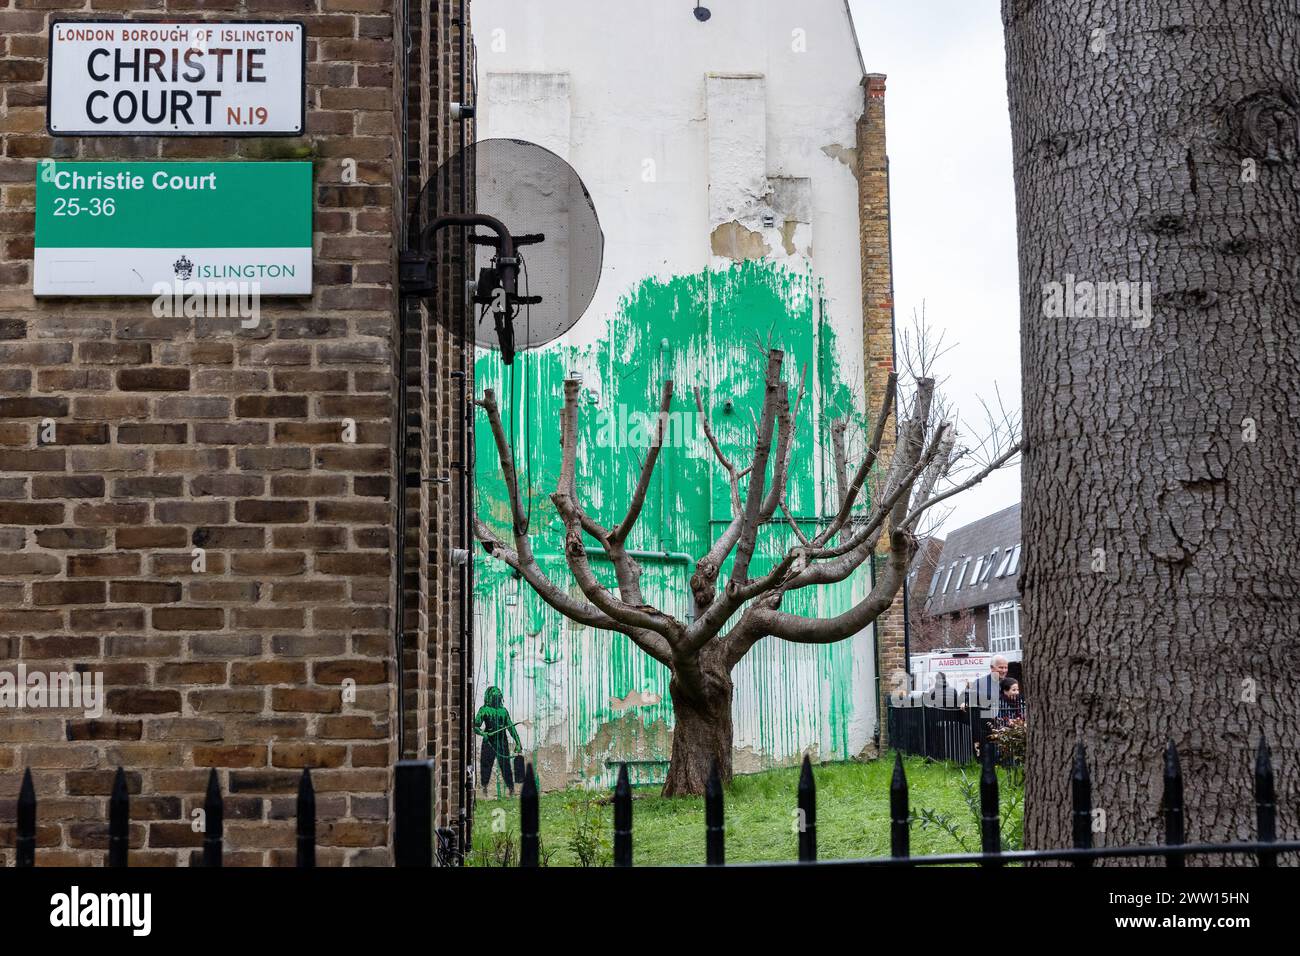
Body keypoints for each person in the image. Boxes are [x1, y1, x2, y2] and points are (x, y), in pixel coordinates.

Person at [473, 686, 522, 796]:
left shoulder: (503, 711)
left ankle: (511, 789)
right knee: (486, 765)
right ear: (489, 696)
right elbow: (475, 726)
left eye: (498, 694)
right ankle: (484, 789)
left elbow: (511, 727)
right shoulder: (484, 710)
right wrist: (483, 733)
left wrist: (518, 742)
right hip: (489, 742)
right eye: (494, 694)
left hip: (502, 742)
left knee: (506, 766)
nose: (497, 695)